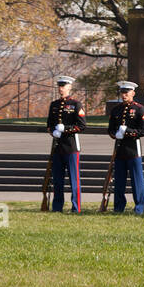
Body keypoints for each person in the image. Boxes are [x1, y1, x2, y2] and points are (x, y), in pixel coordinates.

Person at [108, 81, 144, 214]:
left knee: (137, 181)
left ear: (133, 93)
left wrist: (127, 132)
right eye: (122, 92)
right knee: (119, 181)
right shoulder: (116, 110)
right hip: (119, 149)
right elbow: (110, 129)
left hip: (133, 150)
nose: (124, 95)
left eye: (127, 92)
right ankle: (118, 206)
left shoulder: (139, 109)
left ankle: (140, 206)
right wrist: (115, 134)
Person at [45, 74, 85, 213]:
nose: (61, 89)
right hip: (58, 147)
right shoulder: (54, 105)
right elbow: (49, 124)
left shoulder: (75, 104)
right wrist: (53, 131)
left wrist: (66, 129)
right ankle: (57, 207)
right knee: (57, 180)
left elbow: (81, 126)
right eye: (59, 86)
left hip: (71, 146)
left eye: (63, 86)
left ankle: (76, 207)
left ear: (69, 87)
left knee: (74, 180)